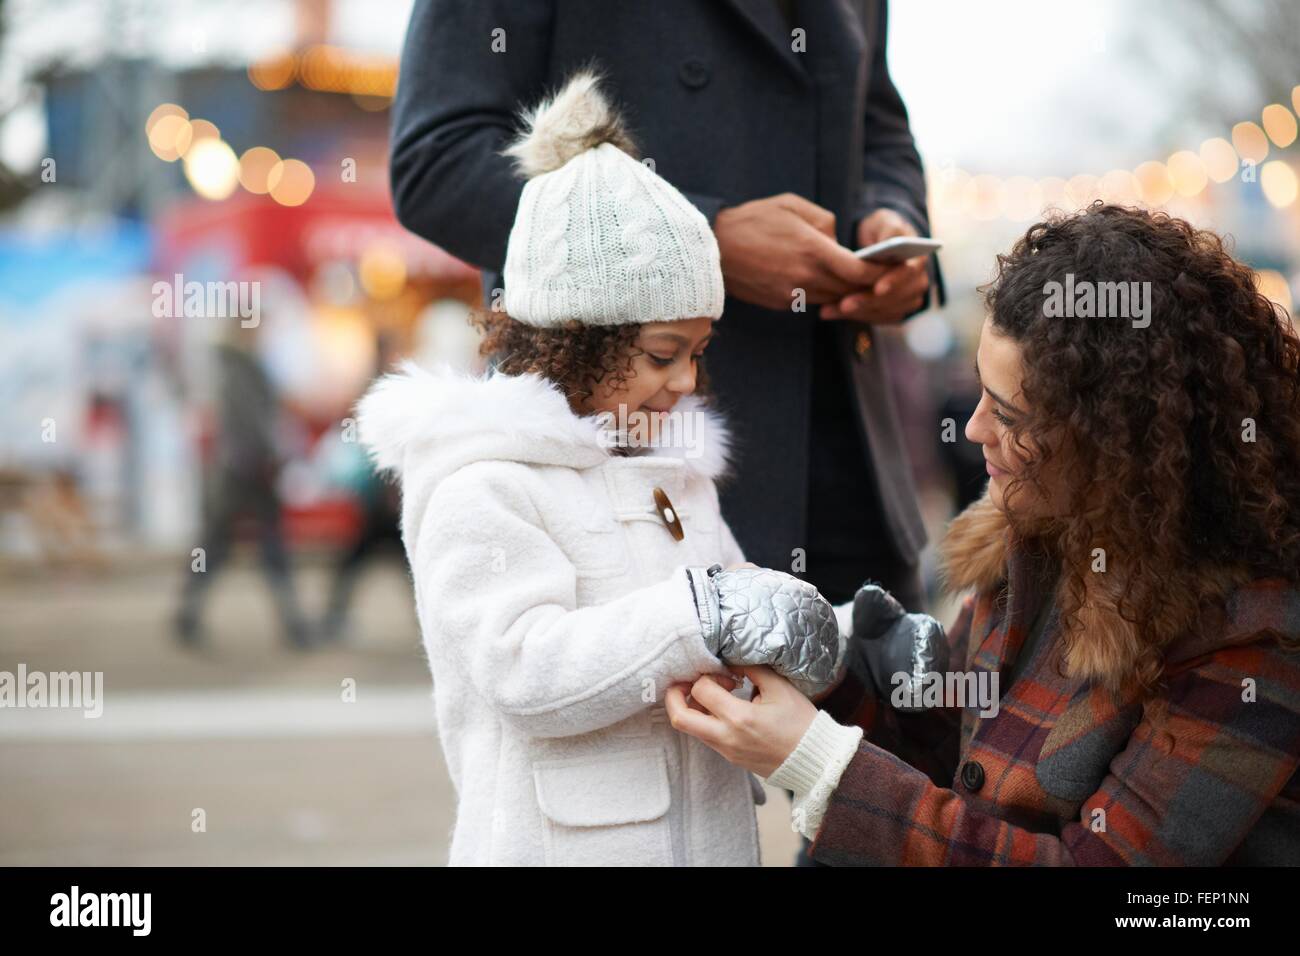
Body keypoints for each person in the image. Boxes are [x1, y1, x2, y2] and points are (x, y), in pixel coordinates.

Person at [667, 204, 1300, 865]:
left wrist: (821, 764)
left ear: (1119, 444)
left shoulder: (1256, 634)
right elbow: (960, 764)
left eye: (1010, 415)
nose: (972, 430)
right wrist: (824, 679)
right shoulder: (1036, 537)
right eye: (980, 393)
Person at [356, 75, 844, 866]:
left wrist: (838, 631)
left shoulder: (671, 472)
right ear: (572, 340)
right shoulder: (486, 484)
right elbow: (524, 669)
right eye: (662, 354)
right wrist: (706, 615)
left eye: (699, 352)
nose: (686, 381)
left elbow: (735, 607)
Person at [388, 0, 942, 611]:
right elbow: (438, 162)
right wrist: (705, 238)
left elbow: (877, 124)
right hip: (621, 471)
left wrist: (895, 226)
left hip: (852, 461)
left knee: (887, 697)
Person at [175, 322, 311, 649]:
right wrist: (269, 457)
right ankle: (293, 624)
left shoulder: (236, 366)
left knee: (230, 547)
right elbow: (248, 423)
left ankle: (189, 615)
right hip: (246, 472)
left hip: (242, 471)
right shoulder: (239, 367)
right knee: (256, 548)